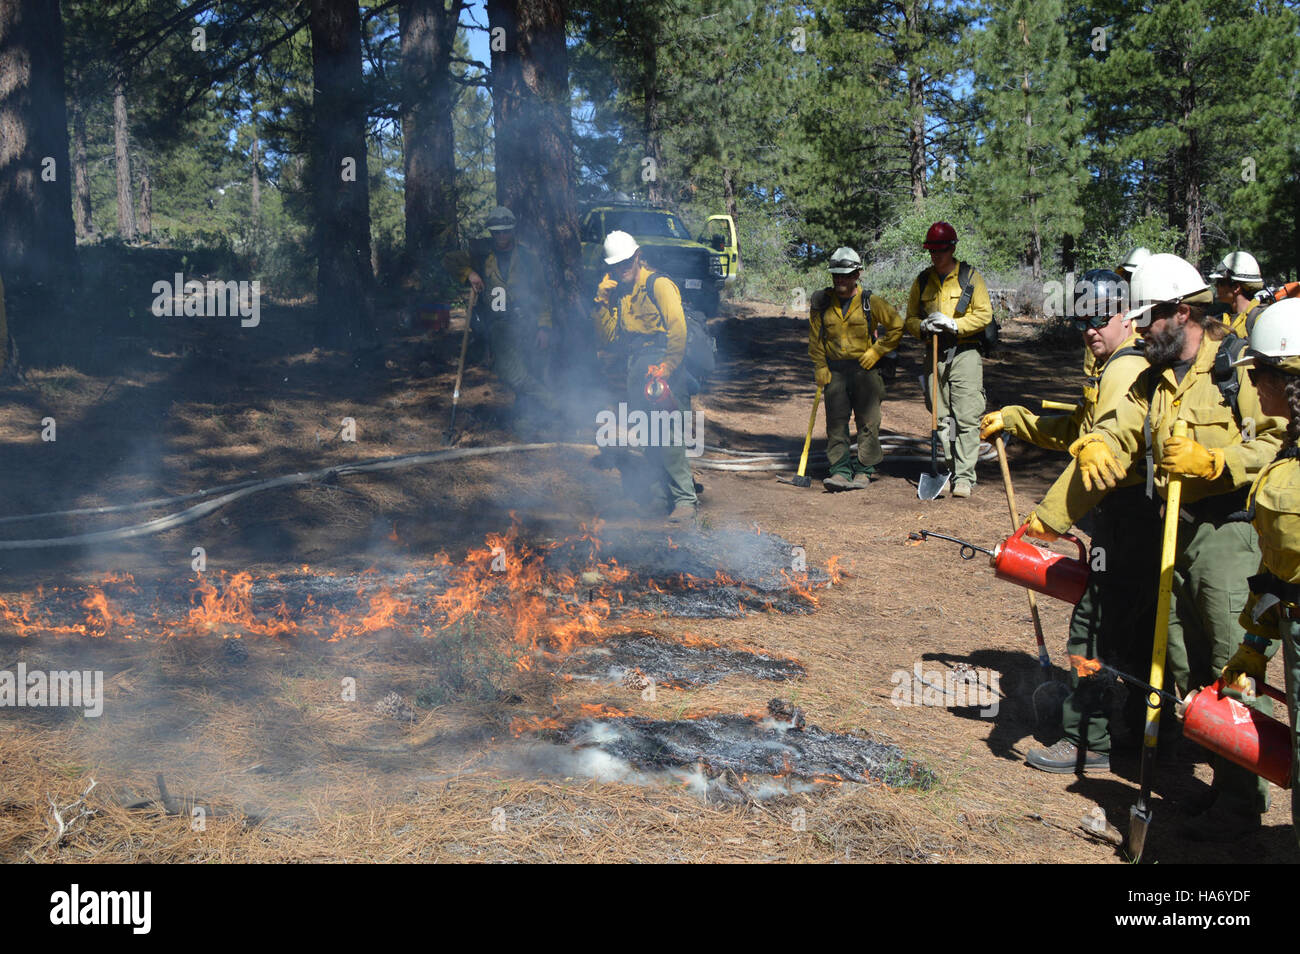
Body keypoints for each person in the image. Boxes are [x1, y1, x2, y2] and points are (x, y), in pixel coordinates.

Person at [1024, 253, 1284, 837]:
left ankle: (1242, 807)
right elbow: (1119, 428)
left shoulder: (1235, 368)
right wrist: (1096, 447)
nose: (1137, 331)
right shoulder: (1151, 374)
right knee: (1186, 669)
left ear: (1182, 312)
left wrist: (1218, 463)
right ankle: (1214, 788)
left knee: (1229, 672)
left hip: (1230, 535)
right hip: (1175, 532)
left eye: (1147, 320)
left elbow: (1277, 440)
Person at [983, 271, 1160, 772]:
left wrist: (1047, 521)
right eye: (1083, 321)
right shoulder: (1114, 365)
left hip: (1130, 519)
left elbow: (1103, 459)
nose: (1090, 331)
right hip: (1129, 522)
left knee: (1093, 634)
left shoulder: (1126, 372)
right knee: (1136, 631)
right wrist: (1018, 419)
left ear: (1129, 315)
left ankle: (1090, 740)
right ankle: (1143, 734)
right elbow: (1079, 432)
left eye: (1100, 319)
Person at [1221, 297, 1300, 845]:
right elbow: (1278, 575)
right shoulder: (1288, 454)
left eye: (1262, 374)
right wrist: (1255, 644)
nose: (1256, 387)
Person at [592, 230, 699, 525]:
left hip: (663, 364)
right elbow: (608, 337)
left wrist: (668, 366)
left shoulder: (658, 284)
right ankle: (659, 496)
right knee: (647, 435)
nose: (622, 268)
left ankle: (685, 500)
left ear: (637, 257)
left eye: (627, 261)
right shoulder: (619, 293)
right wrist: (601, 302)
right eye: (616, 265)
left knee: (668, 435)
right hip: (636, 366)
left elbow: (678, 328)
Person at [445, 206, 558, 429]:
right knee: (511, 372)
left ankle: (528, 417)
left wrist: (544, 327)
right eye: (496, 232)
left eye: (505, 231)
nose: (501, 236)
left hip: (527, 322)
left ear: (512, 230)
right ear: (491, 232)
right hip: (498, 324)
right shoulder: (480, 254)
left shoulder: (528, 258)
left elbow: (542, 295)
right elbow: (449, 259)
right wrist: (470, 273)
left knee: (529, 368)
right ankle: (555, 404)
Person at [904, 222, 993, 498]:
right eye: (931, 251)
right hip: (934, 354)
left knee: (966, 417)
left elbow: (984, 315)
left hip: (965, 352)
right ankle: (951, 468)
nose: (935, 256)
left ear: (952, 248)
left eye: (940, 250)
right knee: (941, 417)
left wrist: (954, 325)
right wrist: (922, 327)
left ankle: (965, 477)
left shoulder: (970, 277)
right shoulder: (922, 281)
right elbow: (909, 319)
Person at [808, 247, 904, 491]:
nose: (840, 280)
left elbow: (897, 327)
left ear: (857, 275)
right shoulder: (821, 303)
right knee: (836, 424)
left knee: (868, 422)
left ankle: (864, 470)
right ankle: (839, 470)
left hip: (865, 370)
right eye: (836, 275)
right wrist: (820, 365)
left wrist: (877, 351)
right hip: (835, 371)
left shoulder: (870, 302)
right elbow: (815, 338)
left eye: (845, 275)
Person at [1209, 251, 1267, 338]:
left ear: (1236, 287)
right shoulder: (1223, 318)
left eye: (1220, 282)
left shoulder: (1261, 320)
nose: (1216, 285)